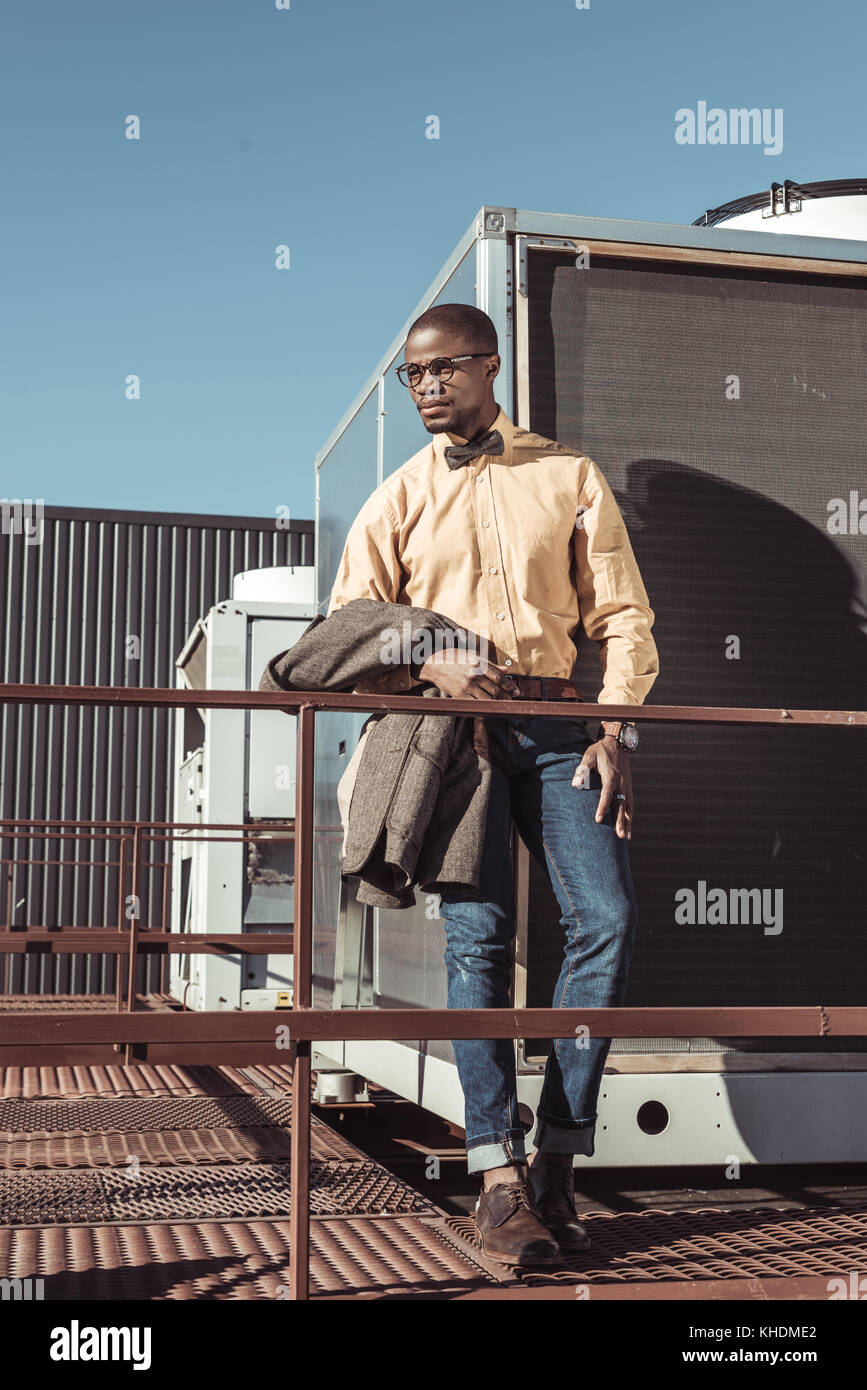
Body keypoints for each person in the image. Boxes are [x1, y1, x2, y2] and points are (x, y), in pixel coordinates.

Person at [327, 303, 659, 1266]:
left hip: (560, 729)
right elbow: (351, 628)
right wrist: (431, 667)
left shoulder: (566, 473)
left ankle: (559, 1154)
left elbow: (624, 617)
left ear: (490, 366)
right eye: (412, 376)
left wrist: (613, 728)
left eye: (443, 369)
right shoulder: (395, 499)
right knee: (478, 945)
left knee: (606, 920)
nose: (427, 387)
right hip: (455, 740)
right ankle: (497, 1180)